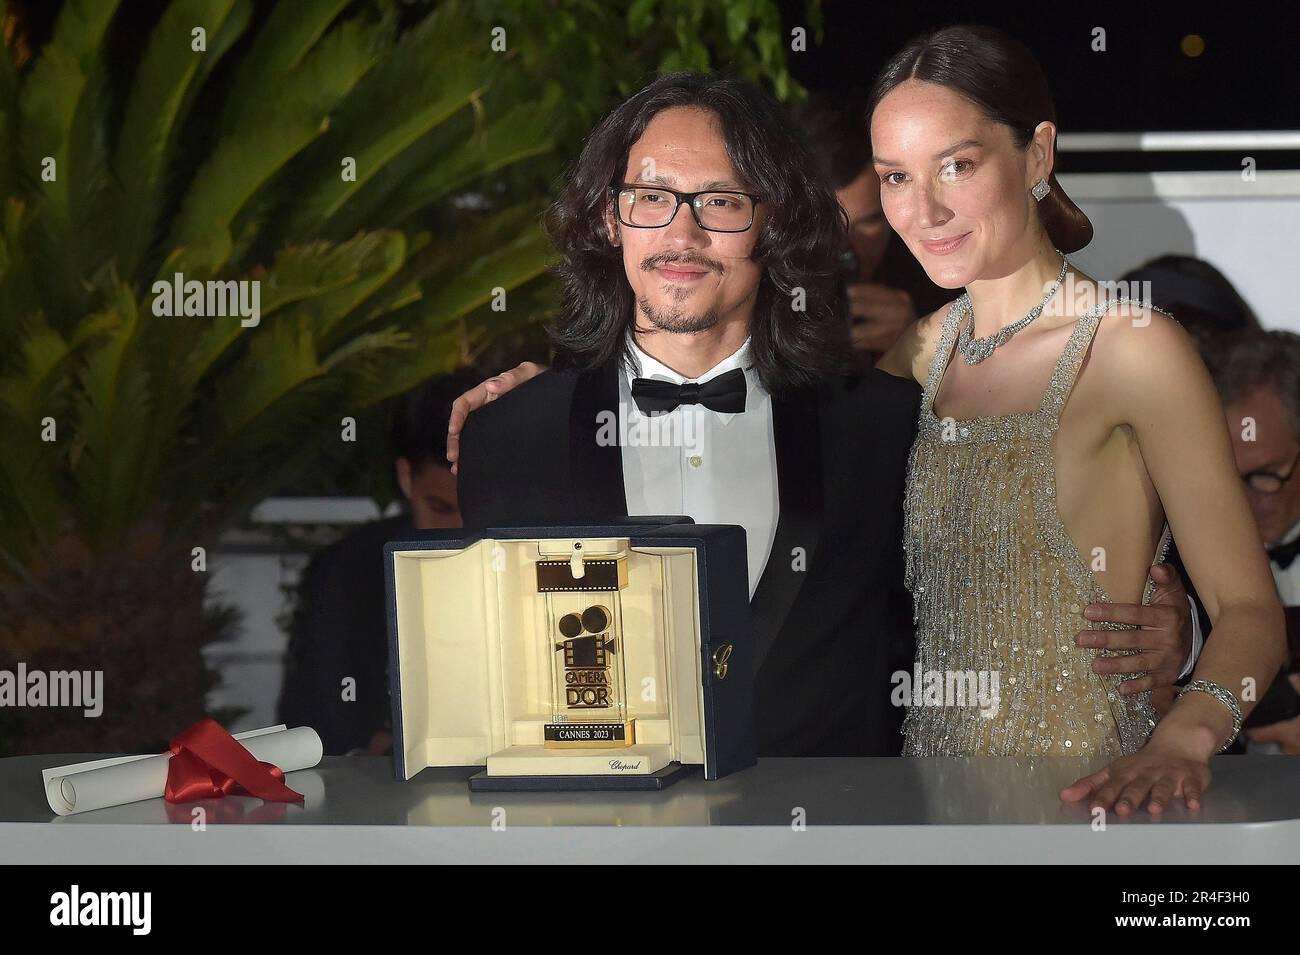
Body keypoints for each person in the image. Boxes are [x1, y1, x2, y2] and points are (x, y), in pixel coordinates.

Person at [447, 68, 1199, 804]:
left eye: (720, 201)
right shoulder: (510, 436)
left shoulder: (881, 422)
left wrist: (1173, 638)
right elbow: (473, 691)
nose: (681, 232)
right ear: (610, 218)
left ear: (774, 221)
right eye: (650, 197)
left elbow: (983, 601)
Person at [866, 25, 1283, 813]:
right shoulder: (913, 359)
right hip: (936, 814)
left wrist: (1185, 735)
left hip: (1099, 806)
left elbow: (1251, 611)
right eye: (895, 176)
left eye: (957, 165)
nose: (923, 209)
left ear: (1037, 154)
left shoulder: (1133, 349)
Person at [277, 370, 479, 755]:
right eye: (440, 508)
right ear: (407, 479)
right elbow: (316, 732)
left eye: (478, 510)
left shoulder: (538, 560)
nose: (459, 530)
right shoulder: (348, 573)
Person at [791, 91, 950, 362]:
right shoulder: (747, 299)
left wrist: (917, 355)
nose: (846, 249)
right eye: (824, 224)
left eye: (870, 222)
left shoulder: (940, 292)